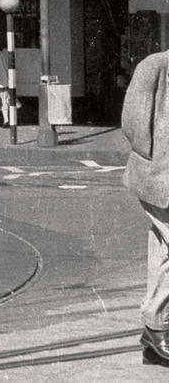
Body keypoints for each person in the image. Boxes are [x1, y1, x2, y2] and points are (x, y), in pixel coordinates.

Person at [121, 50, 169, 366]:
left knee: (163, 247)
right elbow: (133, 123)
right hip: (161, 177)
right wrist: (157, 162)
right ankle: (156, 327)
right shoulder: (155, 65)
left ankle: (155, 330)